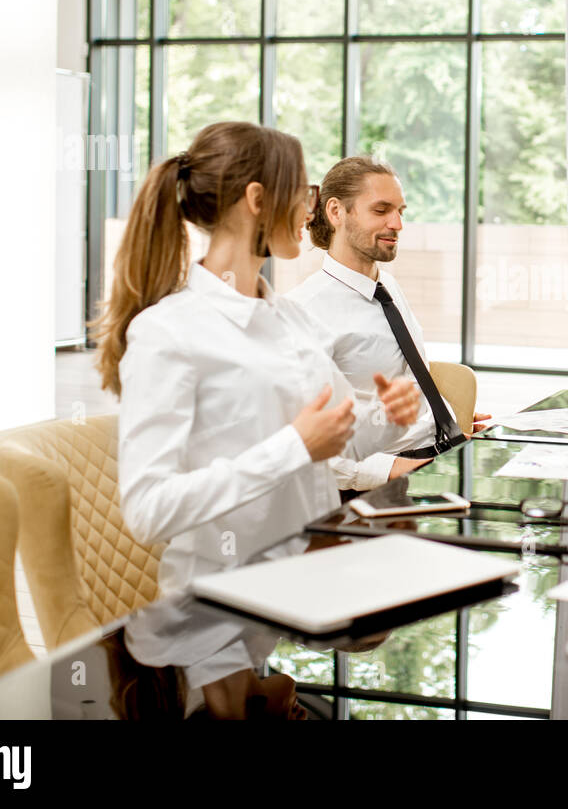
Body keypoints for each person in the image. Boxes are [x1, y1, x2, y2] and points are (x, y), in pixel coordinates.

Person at [94, 122, 421, 719]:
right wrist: (295, 446)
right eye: (300, 190)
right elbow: (148, 511)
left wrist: (386, 417)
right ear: (256, 200)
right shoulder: (170, 332)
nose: (310, 206)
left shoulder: (286, 319)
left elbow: (335, 440)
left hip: (286, 600)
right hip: (211, 623)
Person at [286, 155, 487, 491]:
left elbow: (407, 378)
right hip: (381, 482)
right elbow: (305, 445)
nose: (397, 224)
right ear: (336, 212)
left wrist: (450, 427)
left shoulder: (388, 287)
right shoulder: (304, 311)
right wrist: (398, 469)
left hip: (437, 454)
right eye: (381, 211)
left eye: (401, 211)